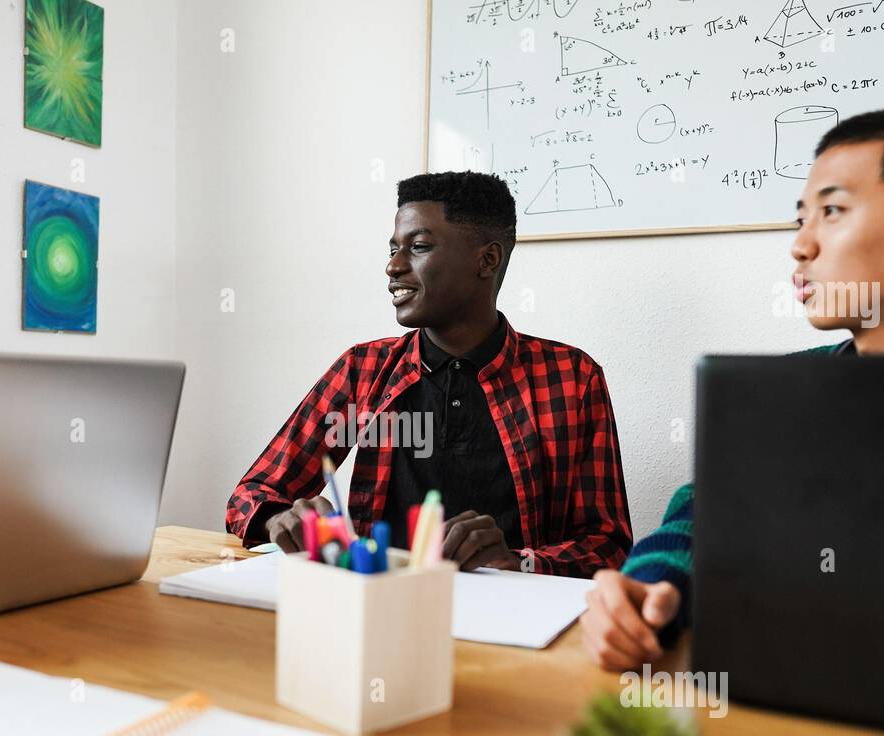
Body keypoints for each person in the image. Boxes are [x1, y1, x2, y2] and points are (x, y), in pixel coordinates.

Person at [582, 107, 884, 671]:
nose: (800, 246)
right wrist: (649, 589)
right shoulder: (788, 388)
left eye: (832, 212)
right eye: (801, 218)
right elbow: (702, 518)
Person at [227, 171, 632, 576]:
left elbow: (607, 545)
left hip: (513, 622)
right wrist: (278, 519)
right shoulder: (363, 370)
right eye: (393, 249)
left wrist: (519, 562)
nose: (393, 266)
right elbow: (252, 494)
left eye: (418, 247)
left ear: (486, 260)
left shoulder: (572, 378)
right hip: (380, 607)